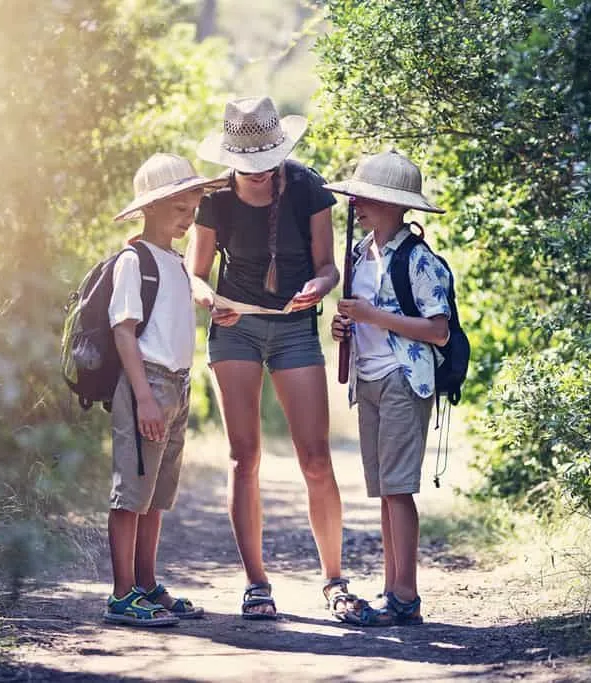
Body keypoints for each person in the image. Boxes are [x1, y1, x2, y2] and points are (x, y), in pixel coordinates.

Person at [188, 96, 361, 620]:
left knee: (315, 457)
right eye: (248, 164)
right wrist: (206, 297)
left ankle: (334, 579)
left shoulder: (306, 186)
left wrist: (319, 285)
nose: (258, 173)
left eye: (267, 162)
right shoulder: (215, 200)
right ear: (232, 158)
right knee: (245, 457)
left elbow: (329, 267)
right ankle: (257, 583)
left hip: (294, 329)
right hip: (234, 329)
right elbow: (194, 272)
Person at [326, 150, 450, 626]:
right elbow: (361, 318)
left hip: (403, 378)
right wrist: (345, 330)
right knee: (384, 490)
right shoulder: (361, 255)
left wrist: (371, 316)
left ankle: (405, 595)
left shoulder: (419, 261)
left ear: (399, 207)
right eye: (358, 197)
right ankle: (391, 589)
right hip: (369, 379)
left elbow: (438, 330)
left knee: (398, 490)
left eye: (371, 199)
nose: (359, 205)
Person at [104, 153, 219, 626]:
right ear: (150, 208)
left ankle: (147, 585)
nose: (188, 219)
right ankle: (121, 594)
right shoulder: (134, 261)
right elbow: (123, 331)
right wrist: (144, 397)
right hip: (145, 384)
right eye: (178, 210)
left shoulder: (173, 261)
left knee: (156, 494)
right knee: (131, 493)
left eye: (192, 210)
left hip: (177, 383)